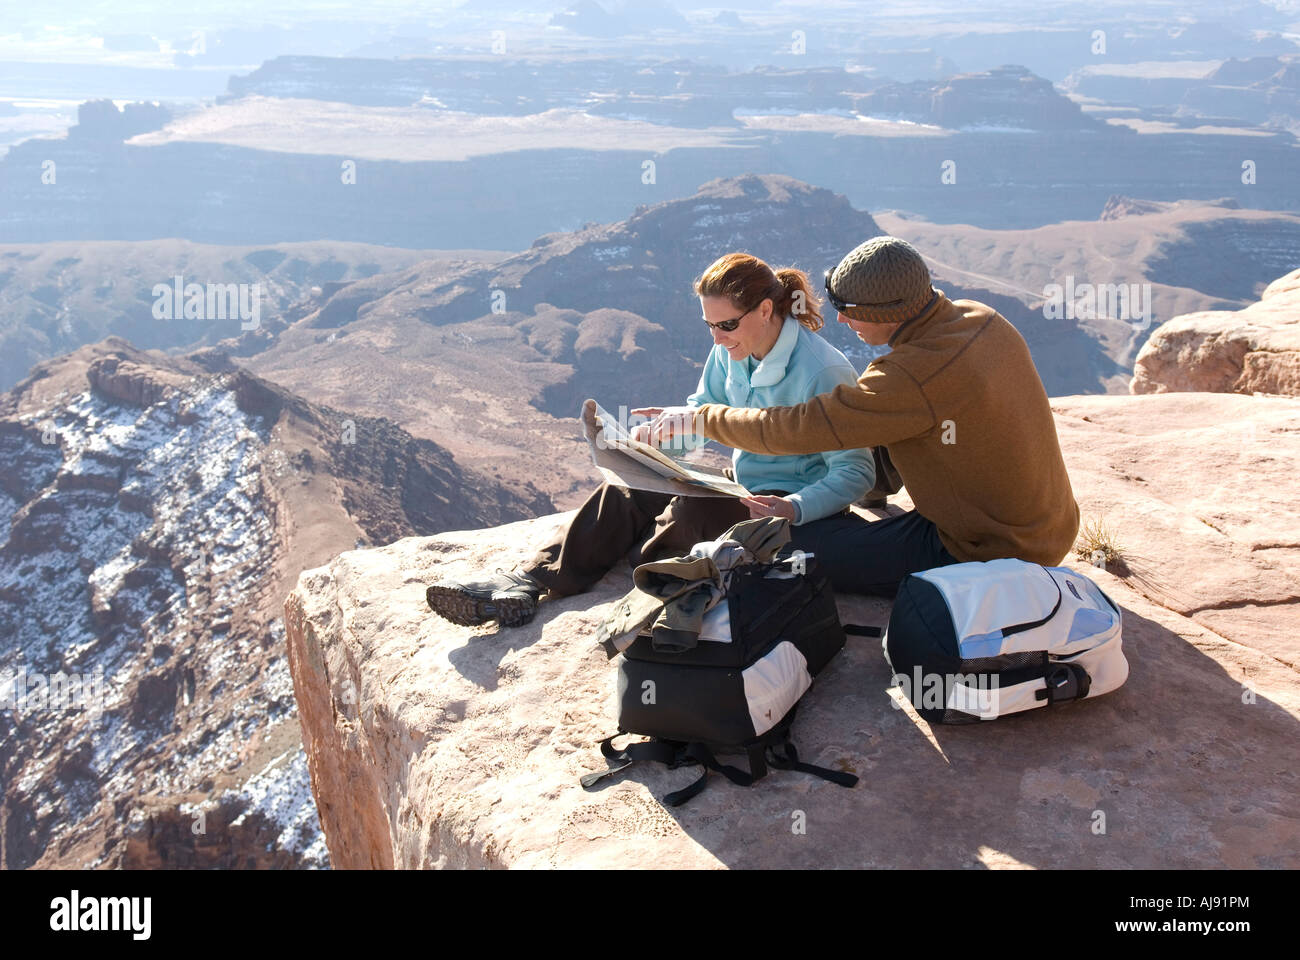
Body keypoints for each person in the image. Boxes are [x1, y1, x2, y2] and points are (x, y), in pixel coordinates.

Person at [425, 252, 877, 628]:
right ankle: (530, 582)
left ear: (764, 310)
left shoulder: (823, 371)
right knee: (627, 486)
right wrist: (656, 449)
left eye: (727, 325)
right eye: (710, 327)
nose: (718, 339)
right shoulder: (732, 350)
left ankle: (650, 585)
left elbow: (855, 471)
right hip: (744, 484)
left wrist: (794, 507)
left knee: (691, 512)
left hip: (792, 504)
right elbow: (701, 415)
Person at [642, 235, 1080, 596]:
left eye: (849, 310)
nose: (839, 318)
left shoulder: (909, 377)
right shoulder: (978, 317)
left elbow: (799, 427)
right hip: (1047, 524)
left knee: (783, 552)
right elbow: (902, 424)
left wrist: (702, 421)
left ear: (883, 313)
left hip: (989, 548)